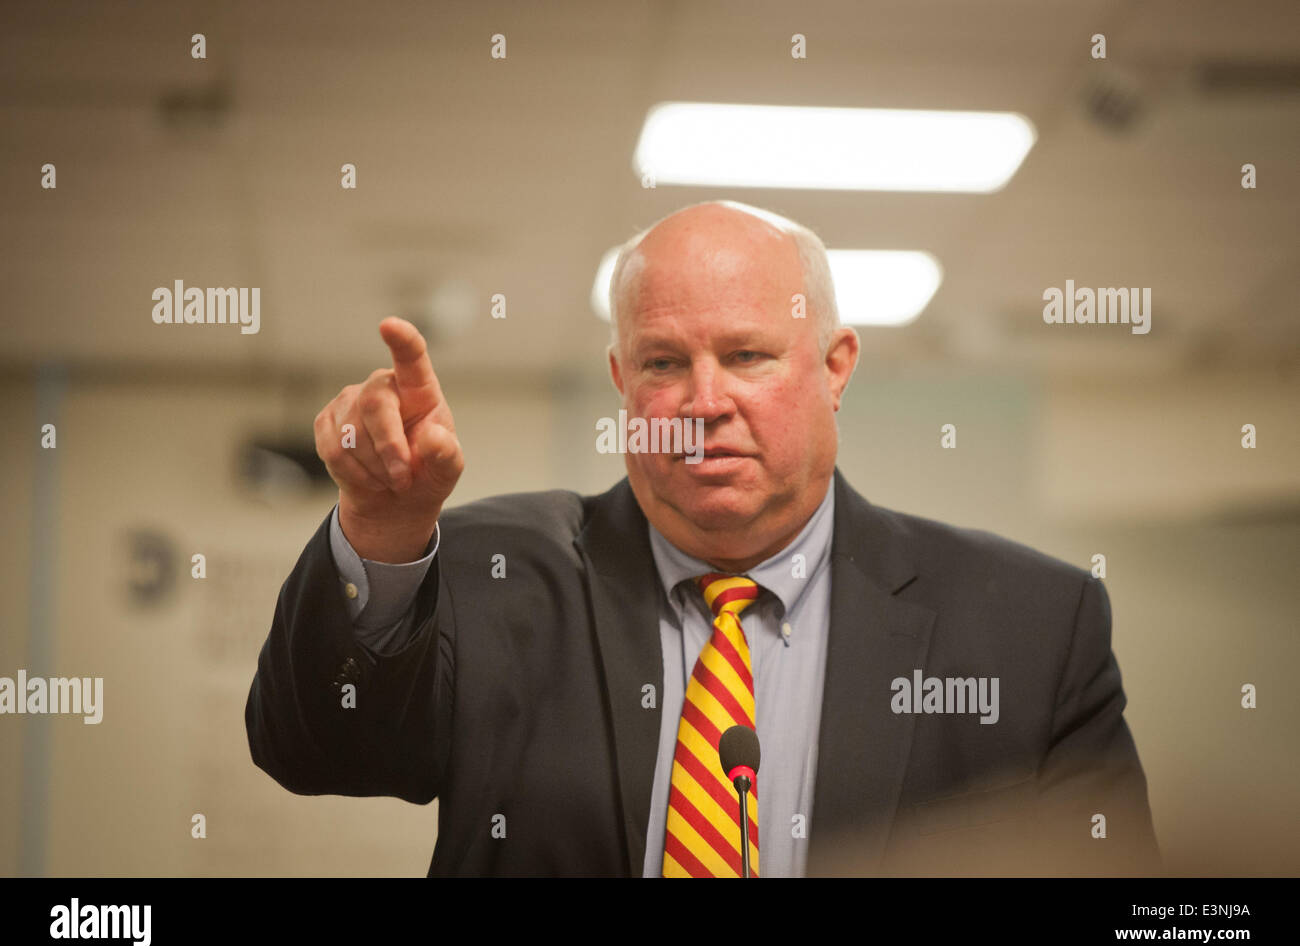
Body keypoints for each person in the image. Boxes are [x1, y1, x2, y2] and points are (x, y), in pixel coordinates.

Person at [245, 200, 1160, 876]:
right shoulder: (497, 574)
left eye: (749, 355)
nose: (704, 402)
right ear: (621, 381)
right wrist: (384, 528)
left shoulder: (1032, 626)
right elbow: (316, 750)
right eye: (663, 363)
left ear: (835, 367)